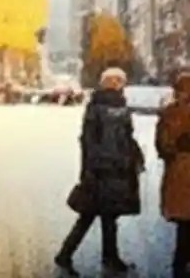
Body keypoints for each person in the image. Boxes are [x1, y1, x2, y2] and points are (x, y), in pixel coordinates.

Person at [55, 67, 144, 276]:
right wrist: (91, 169)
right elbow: (89, 141)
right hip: (104, 170)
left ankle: (107, 257)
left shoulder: (114, 106)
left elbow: (125, 138)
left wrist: (133, 156)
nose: (121, 85)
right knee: (92, 215)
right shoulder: (100, 107)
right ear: (112, 83)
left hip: (111, 169)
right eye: (119, 81)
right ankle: (70, 254)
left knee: (107, 216)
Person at [158, 72, 190, 278]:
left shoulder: (169, 113)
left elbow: (162, 146)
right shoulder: (170, 113)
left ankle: (179, 267)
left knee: (184, 228)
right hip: (181, 173)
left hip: (178, 174)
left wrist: (176, 150)